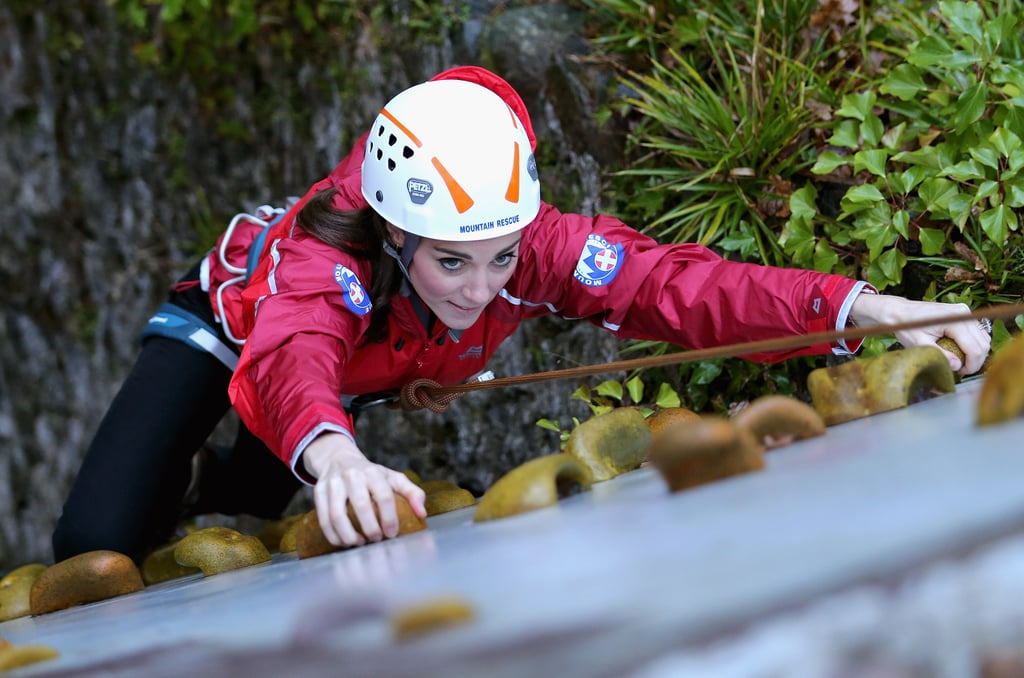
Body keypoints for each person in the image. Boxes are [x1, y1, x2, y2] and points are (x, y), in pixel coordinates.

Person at [52, 66, 992, 562]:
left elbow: (683, 288)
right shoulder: (324, 259)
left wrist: (876, 310)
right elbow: (290, 355)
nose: (480, 286)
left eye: (502, 257)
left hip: (348, 374)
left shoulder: (530, 245)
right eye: (452, 262)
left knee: (239, 515)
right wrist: (335, 454)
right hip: (229, 333)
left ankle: (224, 488)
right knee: (95, 541)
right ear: (393, 234)